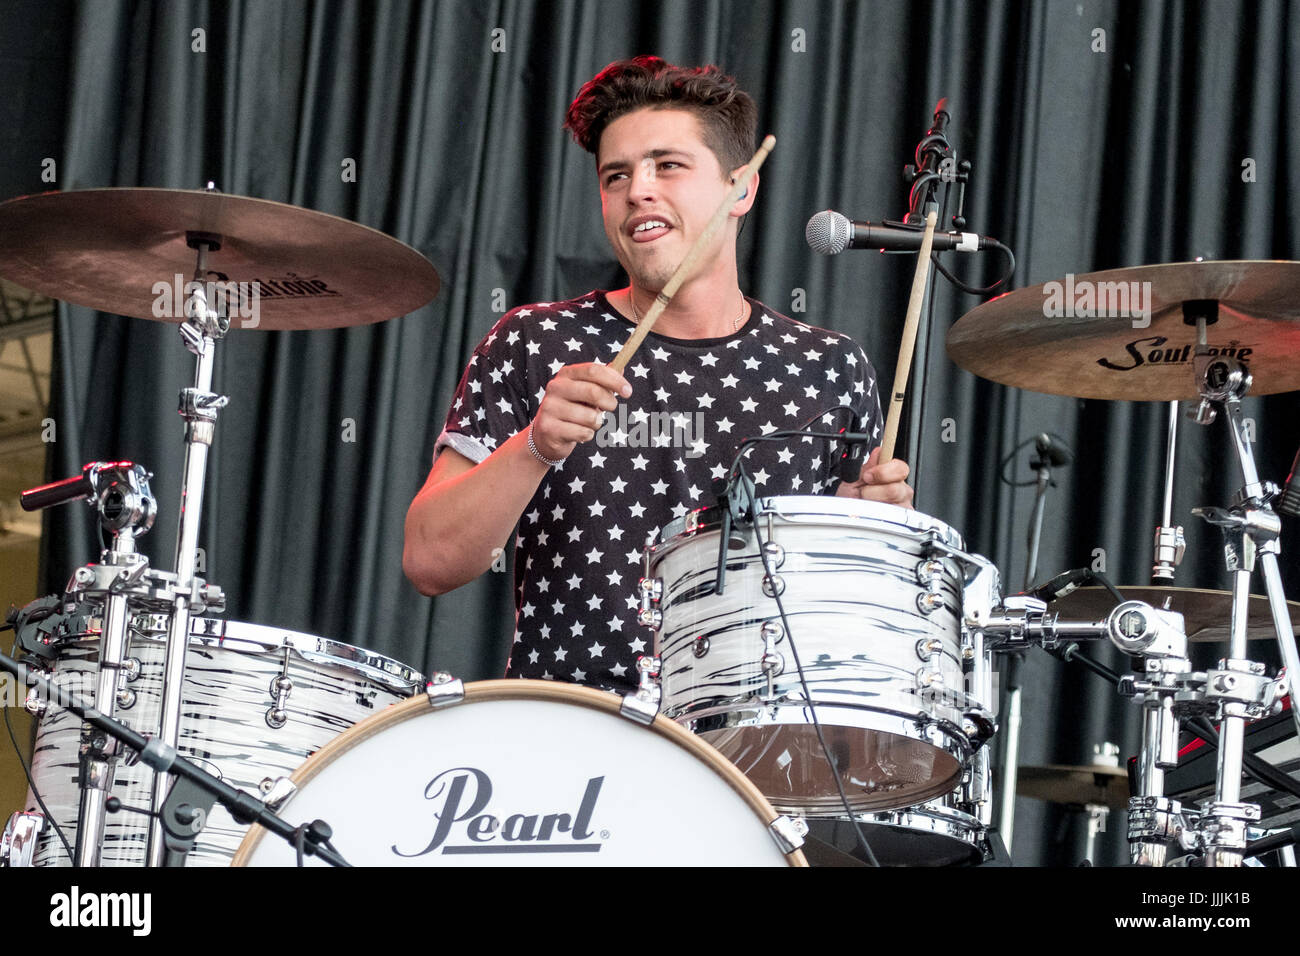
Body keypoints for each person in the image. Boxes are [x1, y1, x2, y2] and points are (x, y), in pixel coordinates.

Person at [404, 56, 912, 692]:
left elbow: (852, 615)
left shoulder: (828, 365)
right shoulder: (535, 342)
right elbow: (429, 561)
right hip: (571, 732)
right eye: (616, 175)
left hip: (754, 747)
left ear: (742, 187)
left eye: (667, 165)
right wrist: (534, 446)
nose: (638, 189)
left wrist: (869, 527)